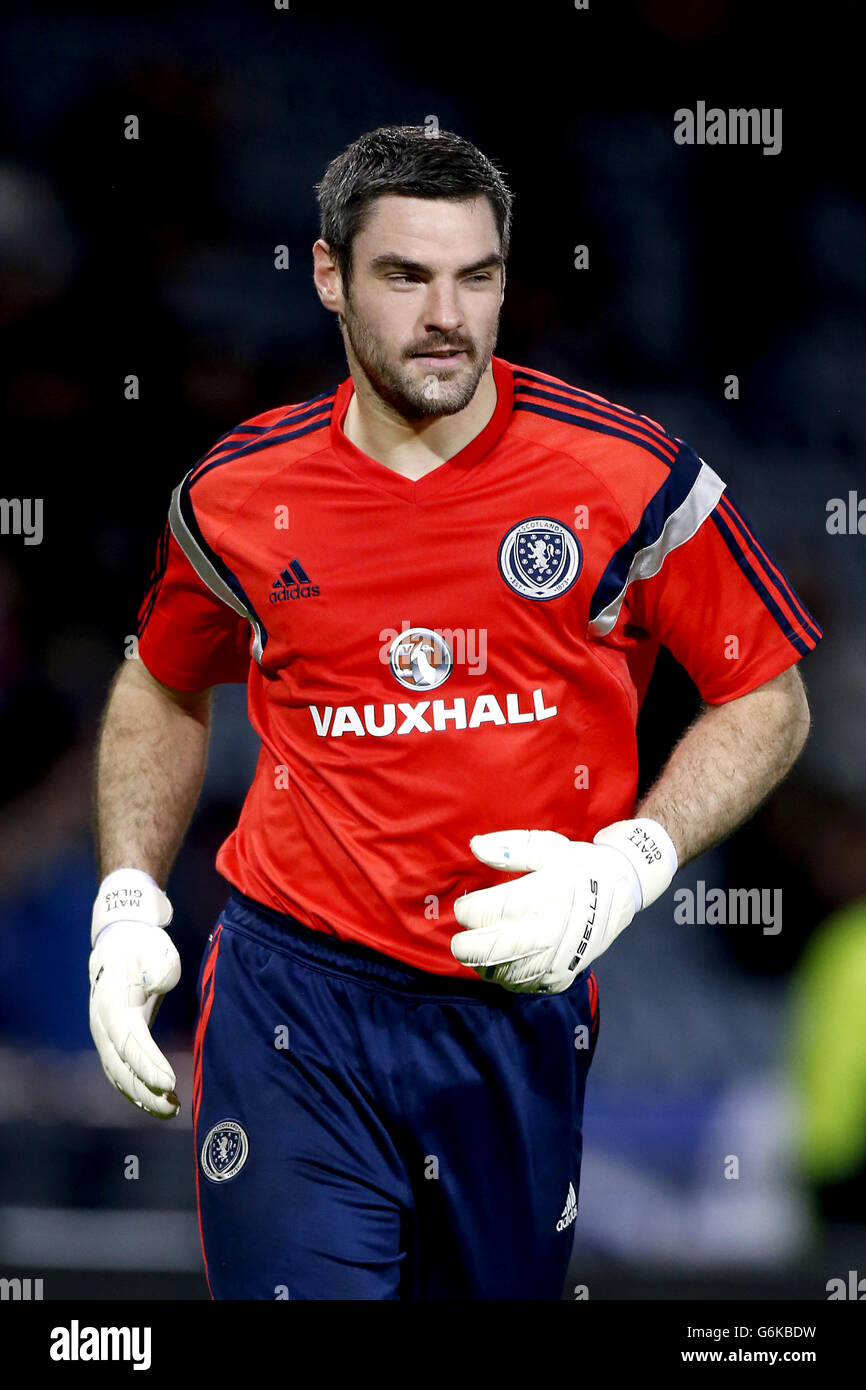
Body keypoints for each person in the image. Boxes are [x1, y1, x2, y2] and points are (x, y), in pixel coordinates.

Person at [88, 125, 821, 1300]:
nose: (447, 313)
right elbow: (163, 679)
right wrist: (127, 899)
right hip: (293, 1007)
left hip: (512, 1017)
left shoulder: (630, 479)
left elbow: (764, 694)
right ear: (329, 277)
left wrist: (632, 862)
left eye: (474, 276)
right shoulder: (235, 495)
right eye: (404, 275)